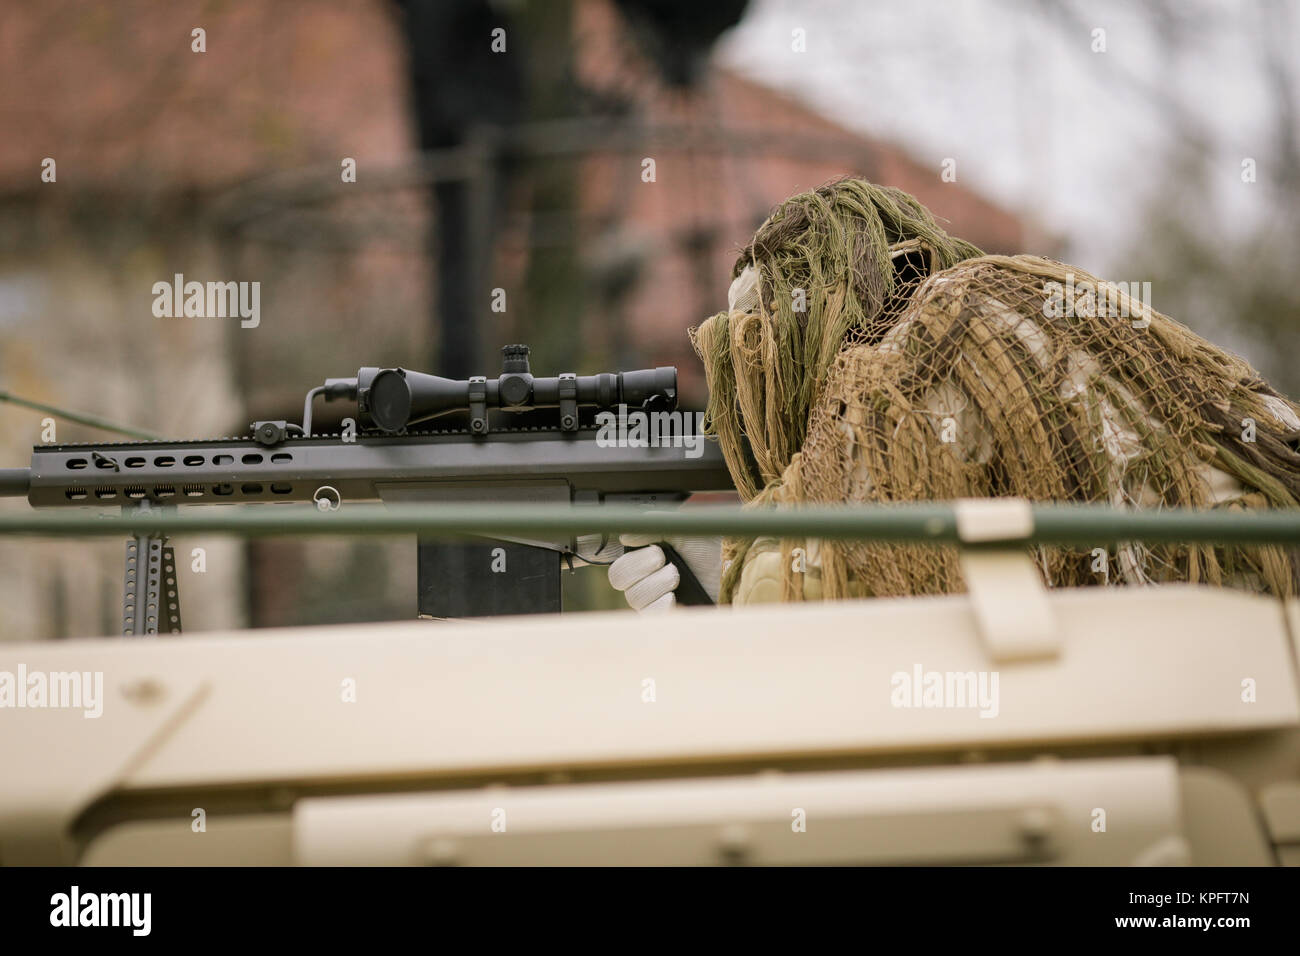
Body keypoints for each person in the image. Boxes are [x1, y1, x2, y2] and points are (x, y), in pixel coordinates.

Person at [608, 178, 1300, 610]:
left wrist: (725, 572)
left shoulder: (915, 359)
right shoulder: (1008, 301)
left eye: (758, 347)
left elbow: (807, 599)